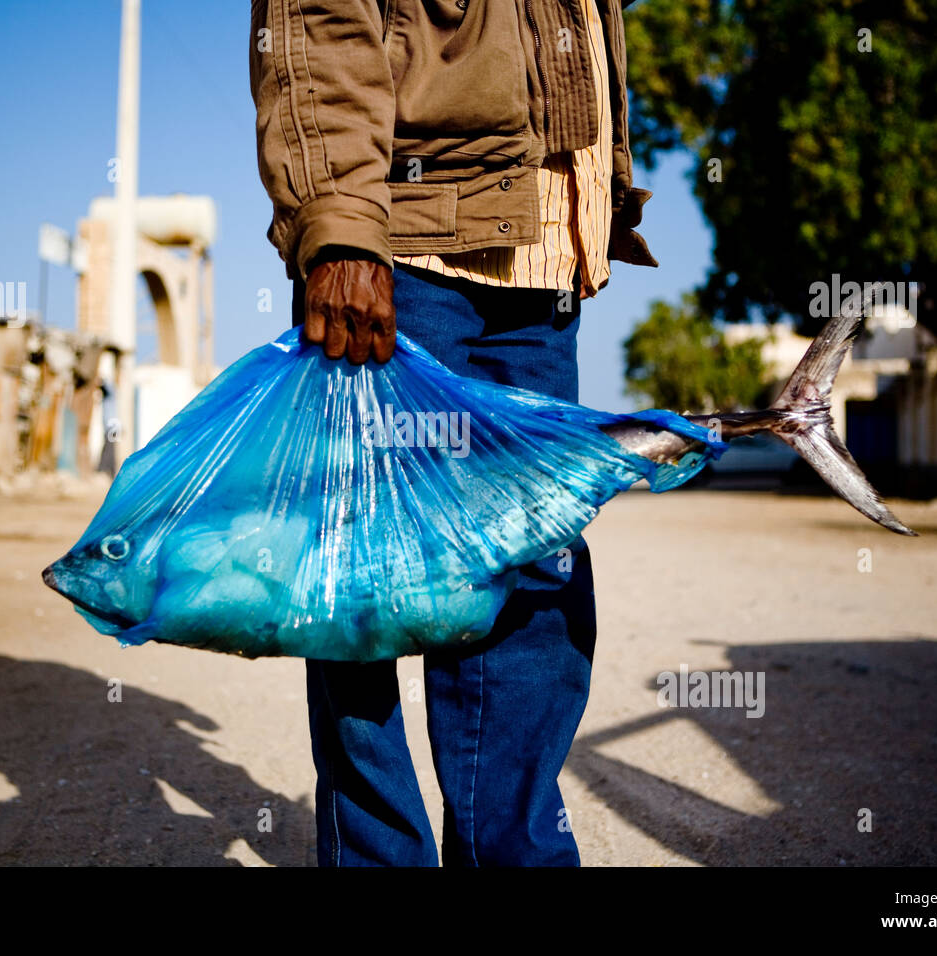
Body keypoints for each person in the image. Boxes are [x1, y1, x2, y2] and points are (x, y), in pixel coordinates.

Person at [250, 0, 658, 866]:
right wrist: (340, 233)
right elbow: (319, 21)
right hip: (406, 256)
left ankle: (513, 857)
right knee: (370, 591)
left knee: (531, 586)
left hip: (546, 256)